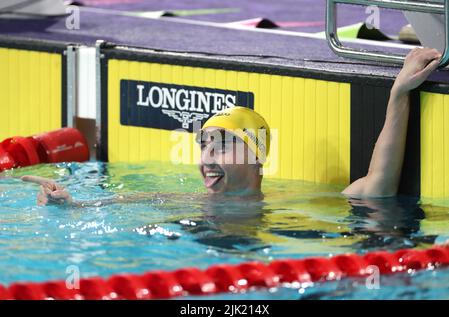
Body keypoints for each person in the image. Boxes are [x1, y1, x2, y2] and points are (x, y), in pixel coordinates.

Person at [22, 47, 442, 206]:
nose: (206, 159)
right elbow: (101, 207)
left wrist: (398, 93)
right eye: (203, 146)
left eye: (221, 145)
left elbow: (380, 185)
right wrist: (67, 203)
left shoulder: (293, 204)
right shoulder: (175, 201)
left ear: (258, 154)